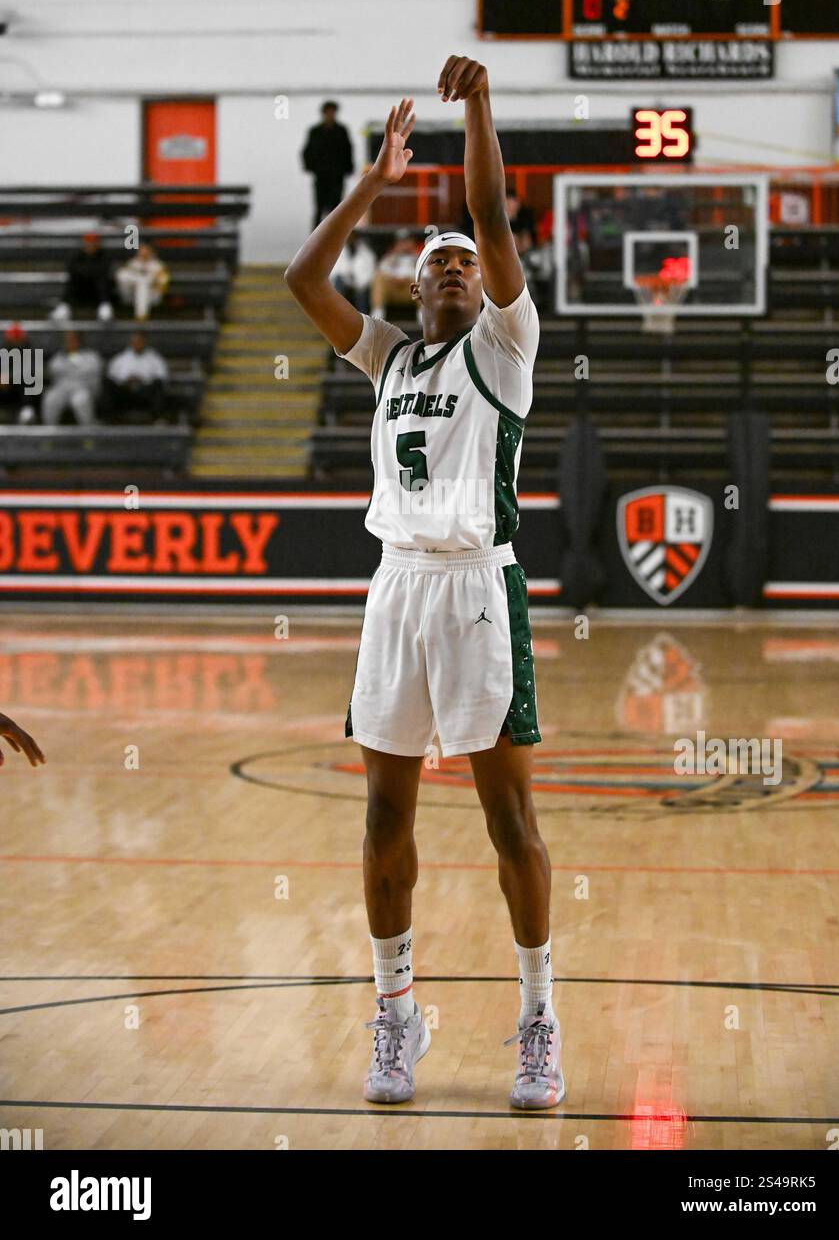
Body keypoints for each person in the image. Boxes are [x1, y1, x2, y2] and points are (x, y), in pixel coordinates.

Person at [285, 56, 562, 1112]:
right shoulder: (388, 358)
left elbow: (491, 216)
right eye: (435, 261)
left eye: (464, 260)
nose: (453, 267)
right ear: (411, 285)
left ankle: (537, 1019)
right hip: (395, 592)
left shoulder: (505, 343)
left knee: (509, 824)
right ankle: (395, 1014)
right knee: (382, 824)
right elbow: (302, 284)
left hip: (478, 595)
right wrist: (372, 179)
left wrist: (478, 106)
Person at [302, 100, 355, 228]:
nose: (330, 115)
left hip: (337, 176)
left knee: (336, 208)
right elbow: (307, 151)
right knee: (319, 208)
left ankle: (333, 236)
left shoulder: (341, 130)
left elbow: (348, 150)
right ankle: (315, 239)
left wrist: (347, 168)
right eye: (328, 112)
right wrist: (311, 167)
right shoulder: (315, 131)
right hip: (321, 176)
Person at [102, 330, 168, 421]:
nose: (138, 344)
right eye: (135, 342)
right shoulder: (120, 358)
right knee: (107, 383)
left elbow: (162, 378)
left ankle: (158, 419)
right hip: (125, 392)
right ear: (130, 343)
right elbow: (111, 377)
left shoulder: (155, 358)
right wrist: (126, 381)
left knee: (158, 384)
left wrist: (143, 381)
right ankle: (107, 419)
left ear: (145, 342)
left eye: (140, 341)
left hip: (145, 392)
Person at [41, 329, 102, 427]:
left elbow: (94, 376)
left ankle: (88, 433)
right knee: (50, 398)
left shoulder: (91, 356)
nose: (69, 343)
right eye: (67, 340)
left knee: (80, 401)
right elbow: (52, 371)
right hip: (62, 388)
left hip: (82, 388)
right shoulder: (59, 356)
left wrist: (73, 368)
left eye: (73, 340)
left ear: (79, 341)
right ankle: (50, 433)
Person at [51, 231, 114, 322]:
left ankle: (105, 306)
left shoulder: (104, 256)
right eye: (88, 241)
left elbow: (103, 271)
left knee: (102, 280)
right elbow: (73, 270)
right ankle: (64, 306)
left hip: (97, 293)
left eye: (93, 241)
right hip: (80, 291)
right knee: (73, 279)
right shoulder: (77, 255)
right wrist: (90, 272)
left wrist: (87, 272)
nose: (91, 244)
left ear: (98, 243)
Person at [369, 228, 421, 320]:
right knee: (378, 277)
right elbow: (381, 270)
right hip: (392, 290)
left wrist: (408, 278)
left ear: (412, 242)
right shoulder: (390, 257)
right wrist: (392, 278)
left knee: (421, 280)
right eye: (401, 242)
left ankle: (422, 315)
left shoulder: (418, 257)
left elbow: (424, 272)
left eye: (406, 241)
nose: (404, 245)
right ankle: (377, 315)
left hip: (410, 290)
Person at [114, 243, 170, 320]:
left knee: (143, 284)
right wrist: (137, 280)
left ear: (151, 252)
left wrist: (152, 280)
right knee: (122, 275)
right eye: (141, 250)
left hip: (152, 296)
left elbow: (164, 282)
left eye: (146, 251)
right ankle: (140, 319)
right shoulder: (133, 263)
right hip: (131, 296)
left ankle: (141, 320)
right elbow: (121, 277)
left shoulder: (157, 265)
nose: (143, 253)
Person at [331, 229, 376, 315]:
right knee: (338, 281)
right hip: (344, 281)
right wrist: (347, 276)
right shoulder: (339, 250)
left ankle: (364, 320)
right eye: (348, 237)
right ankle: (337, 314)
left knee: (361, 293)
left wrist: (360, 284)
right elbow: (334, 270)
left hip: (361, 283)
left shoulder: (366, 252)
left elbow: (370, 272)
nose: (350, 239)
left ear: (356, 238)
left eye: (352, 237)